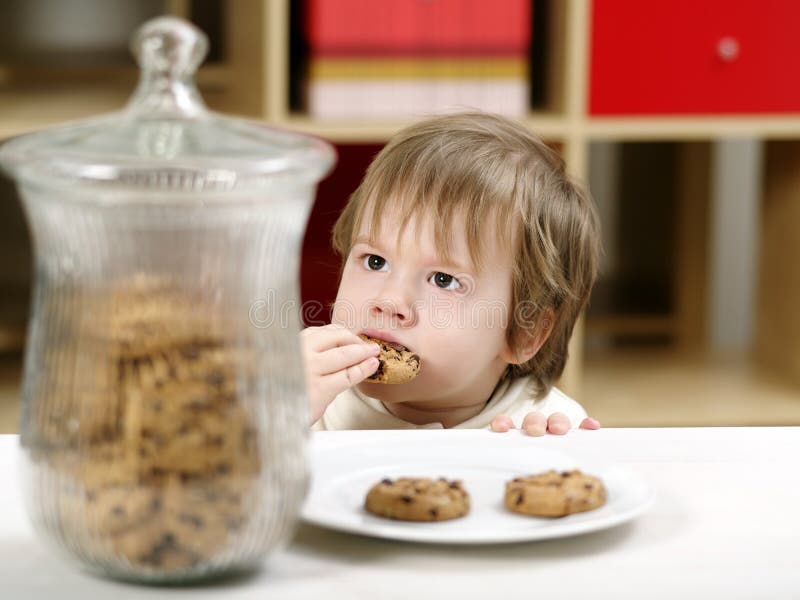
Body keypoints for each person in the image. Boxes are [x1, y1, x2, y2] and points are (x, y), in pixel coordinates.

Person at [302, 112, 601, 436]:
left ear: (525, 332)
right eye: (375, 261)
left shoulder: (538, 425)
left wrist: (554, 458)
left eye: (443, 280)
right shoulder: (306, 394)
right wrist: (268, 418)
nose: (389, 301)